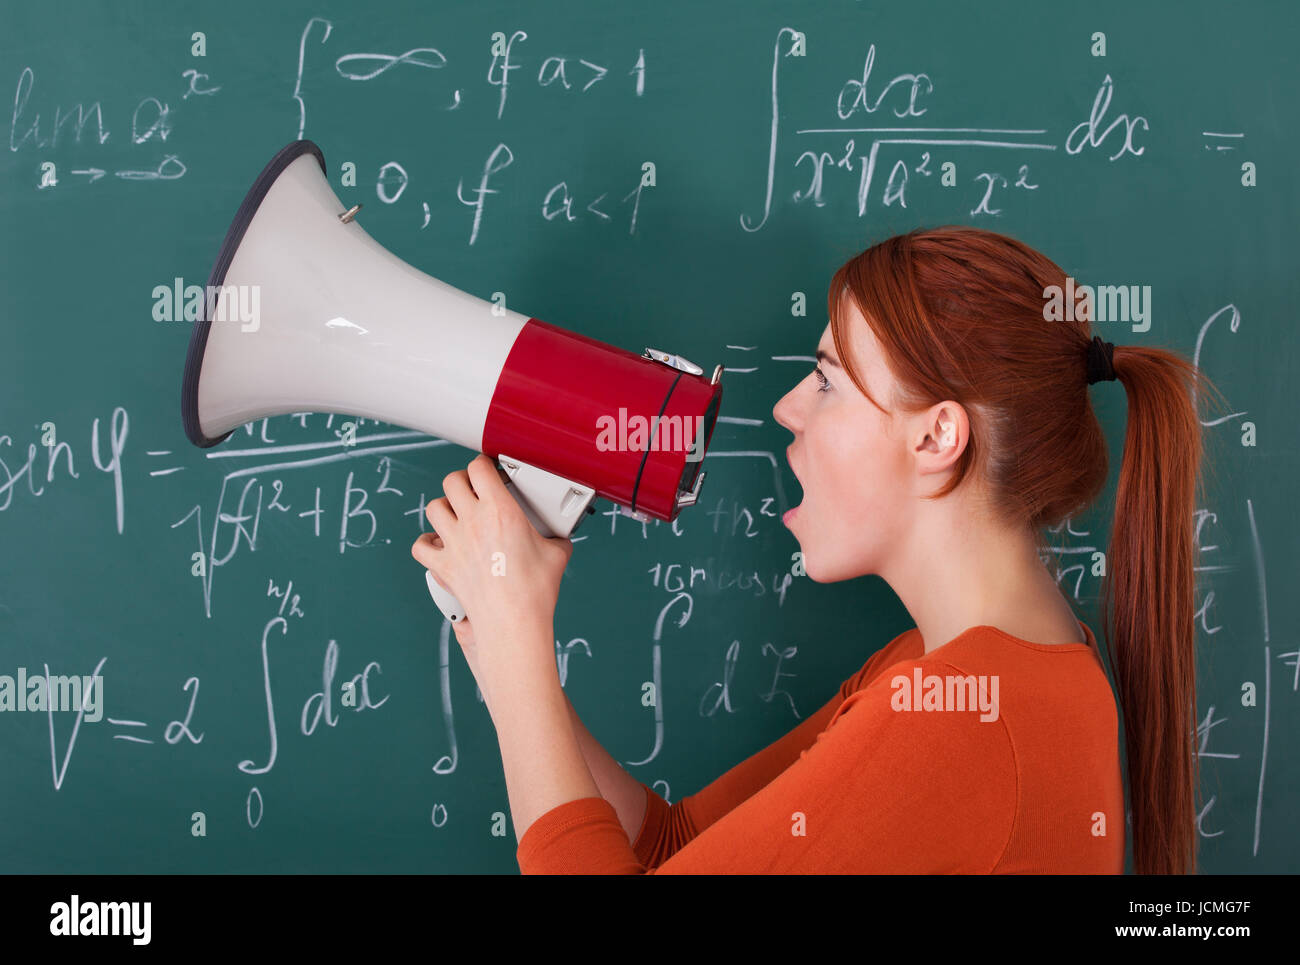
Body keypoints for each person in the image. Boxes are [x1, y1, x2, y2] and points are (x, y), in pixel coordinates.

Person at [417, 226, 1227, 874]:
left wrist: (522, 641)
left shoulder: (972, 719)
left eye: (828, 379)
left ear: (938, 434)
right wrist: (502, 655)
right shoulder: (966, 673)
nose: (786, 407)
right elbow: (670, 846)